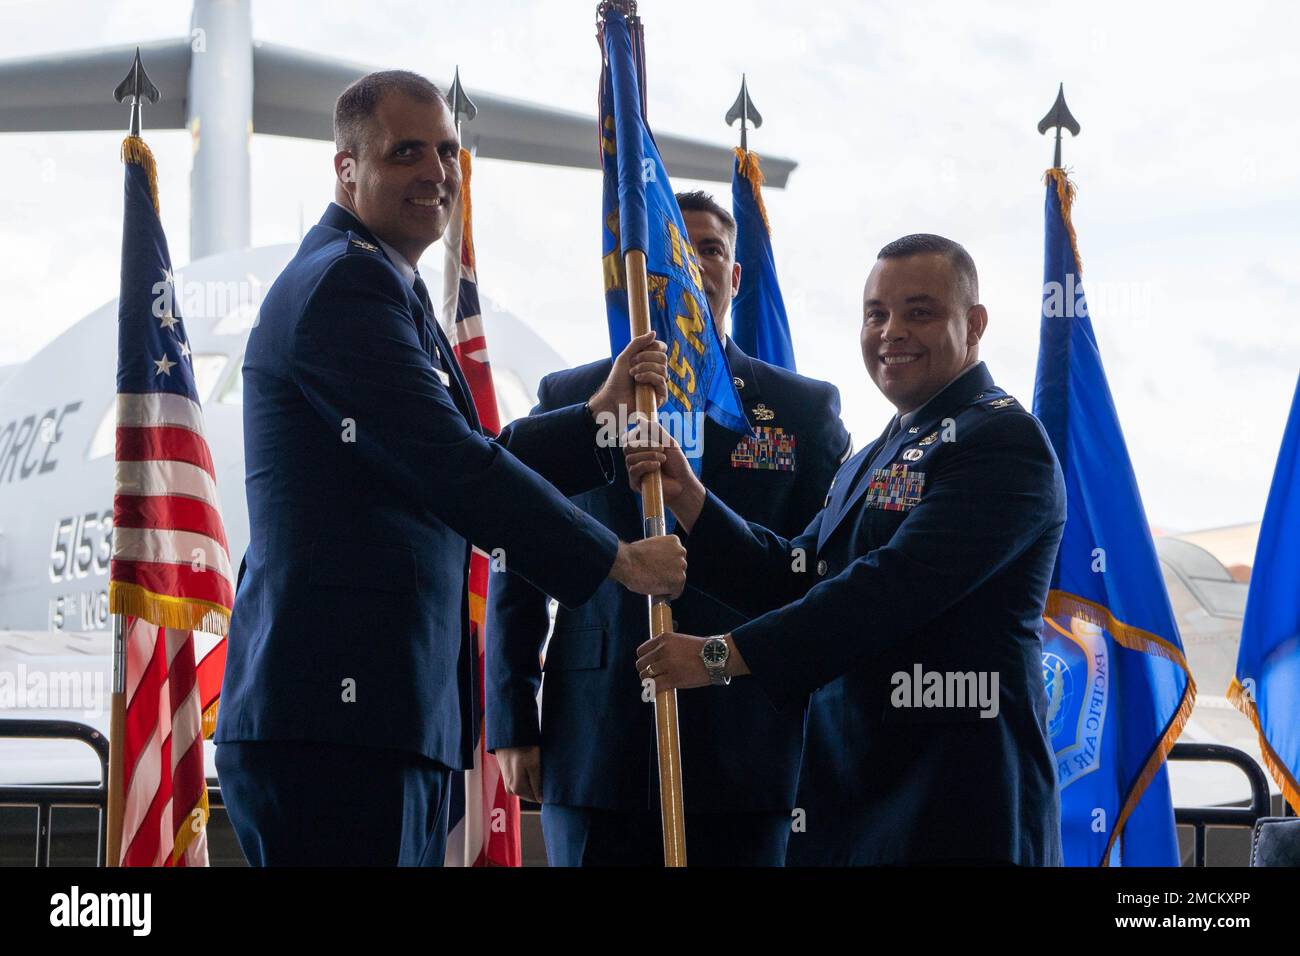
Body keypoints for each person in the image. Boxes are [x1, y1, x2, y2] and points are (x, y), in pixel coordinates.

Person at [214, 70, 686, 867]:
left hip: (381, 718)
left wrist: (594, 421)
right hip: (336, 722)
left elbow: (456, 452)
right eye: (406, 153)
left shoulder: (385, 284)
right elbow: (448, 465)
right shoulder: (346, 283)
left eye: (447, 151)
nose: (437, 171)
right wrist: (614, 559)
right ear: (347, 169)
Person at [627, 234, 1066, 865]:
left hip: (957, 803)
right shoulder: (870, 455)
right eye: (876, 313)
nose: (892, 331)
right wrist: (693, 501)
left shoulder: (1004, 441)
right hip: (854, 799)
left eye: (919, 311)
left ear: (974, 325)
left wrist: (722, 656)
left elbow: (890, 590)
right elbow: (802, 573)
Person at [487, 191, 850, 866]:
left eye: (708, 248)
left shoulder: (801, 409)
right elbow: (518, 552)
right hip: (595, 742)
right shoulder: (572, 399)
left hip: (749, 747)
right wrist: (512, 716)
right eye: (668, 251)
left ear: (734, 277)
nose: (688, 264)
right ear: (633, 272)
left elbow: (820, 574)